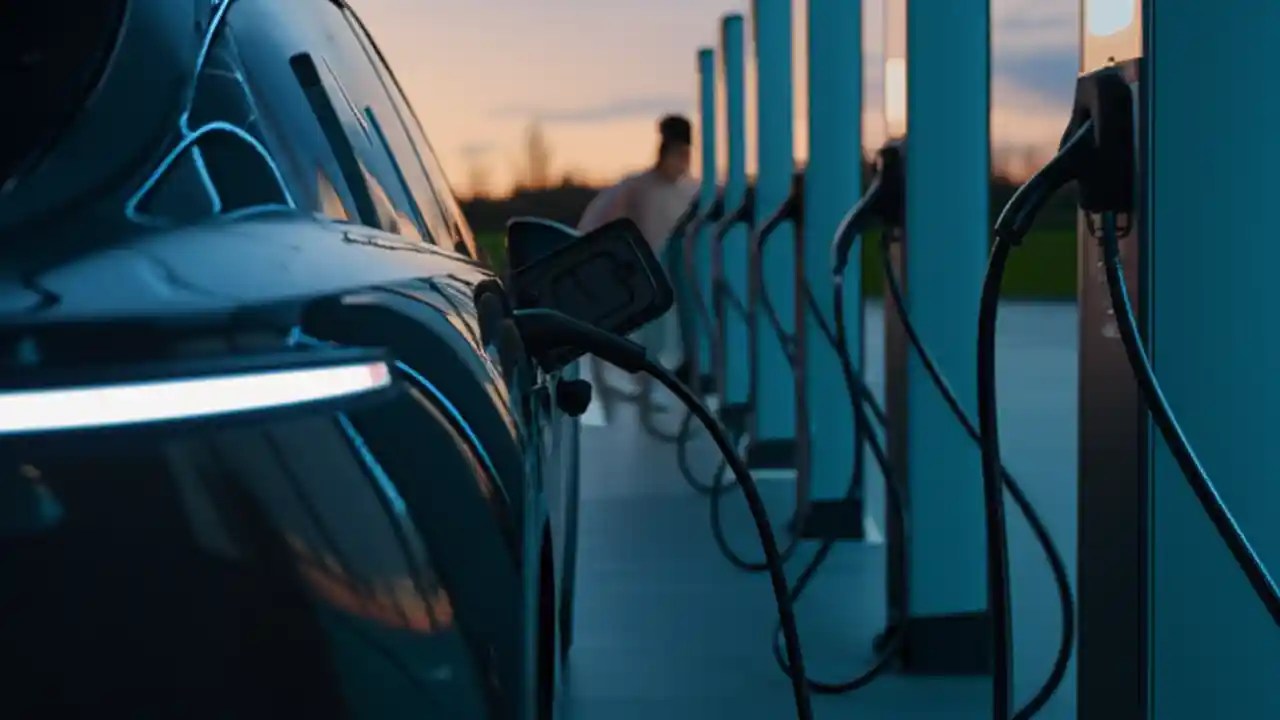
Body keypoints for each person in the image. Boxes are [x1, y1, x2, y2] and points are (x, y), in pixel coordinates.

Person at [577, 115, 700, 393]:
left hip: (672, 277)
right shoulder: (637, 188)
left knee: (666, 334)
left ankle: (658, 383)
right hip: (640, 274)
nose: (682, 162)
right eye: (678, 155)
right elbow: (599, 223)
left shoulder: (686, 191)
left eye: (686, 155)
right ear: (665, 153)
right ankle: (642, 387)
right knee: (646, 335)